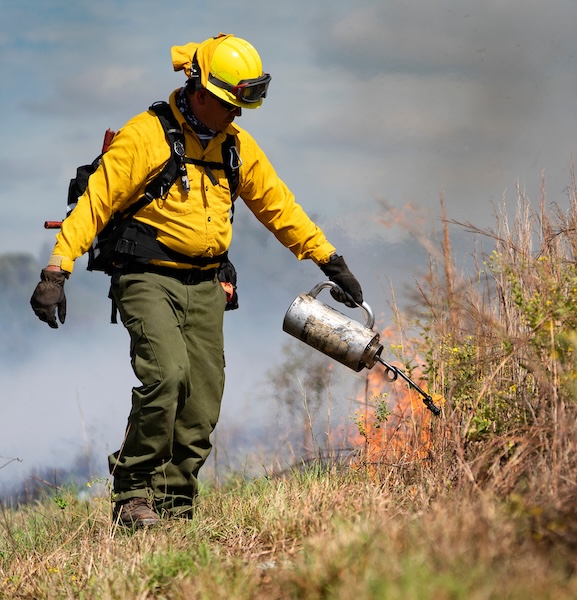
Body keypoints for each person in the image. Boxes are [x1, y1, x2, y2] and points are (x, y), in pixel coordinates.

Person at [29, 33, 363, 528]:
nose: (237, 115)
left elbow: (279, 207)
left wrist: (328, 260)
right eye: (230, 103)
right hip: (146, 278)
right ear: (200, 91)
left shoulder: (235, 146)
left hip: (207, 284)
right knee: (165, 376)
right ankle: (133, 495)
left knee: (203, 400)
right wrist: (56, 270)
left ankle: (174, 506)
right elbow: (95, 202)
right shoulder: (145, 136)